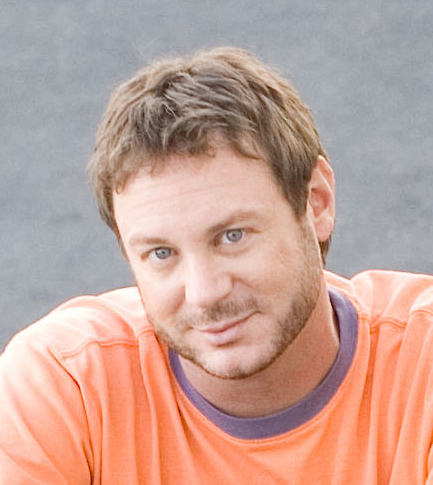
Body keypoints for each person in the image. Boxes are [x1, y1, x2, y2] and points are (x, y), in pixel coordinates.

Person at [1, 46, 433, 485]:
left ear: (316, 203)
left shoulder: (421, 361)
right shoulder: (65, 383)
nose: (205, 293)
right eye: (161, 253)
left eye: (232, 236)